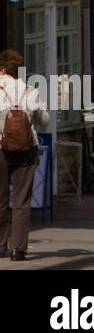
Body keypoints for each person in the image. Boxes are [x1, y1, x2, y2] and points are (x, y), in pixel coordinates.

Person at [0, 50, 47, 261]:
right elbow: (44, 121)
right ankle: (18, 249)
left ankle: (0, 246)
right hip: (27, 150)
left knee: (0, 199)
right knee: (21, 200)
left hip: (0, 148)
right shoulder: (30, 91)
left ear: (2, 69)